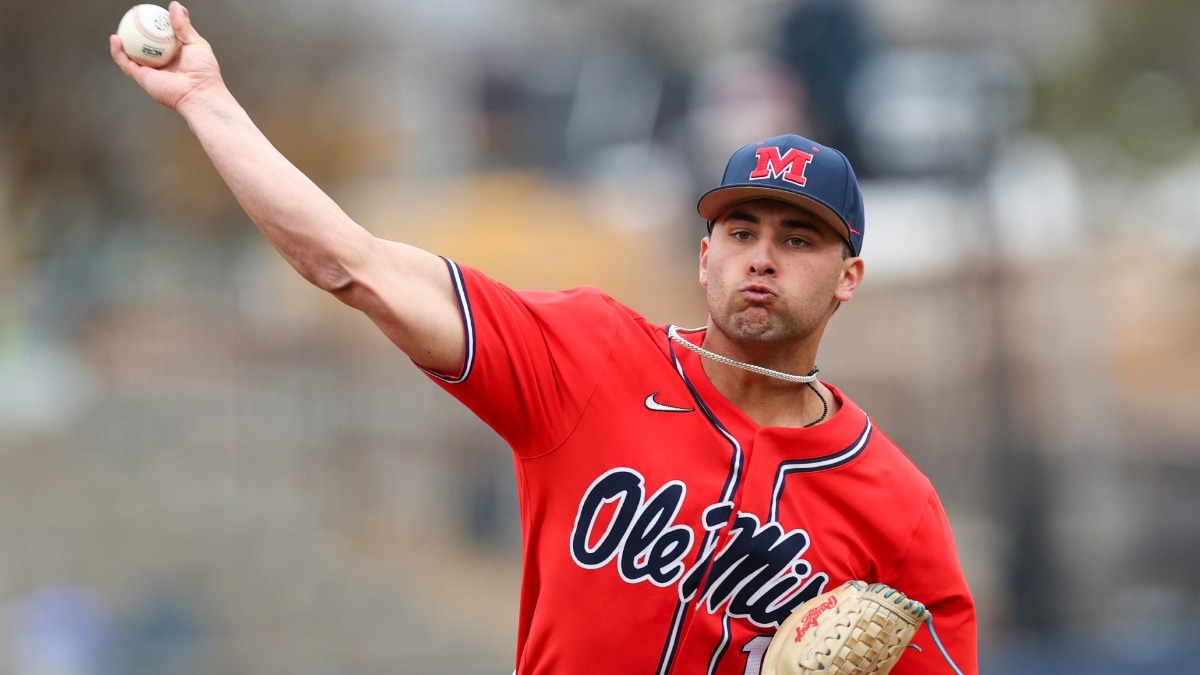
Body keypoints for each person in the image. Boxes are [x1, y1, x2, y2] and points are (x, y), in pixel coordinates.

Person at [110, 4, 977, 674]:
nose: (762, 259)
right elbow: (352, 265)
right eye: (741, 231)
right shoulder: (588, 358)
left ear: (848, 277)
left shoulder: (893, 505)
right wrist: (205, 100)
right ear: (703, 254)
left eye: (798, 240)